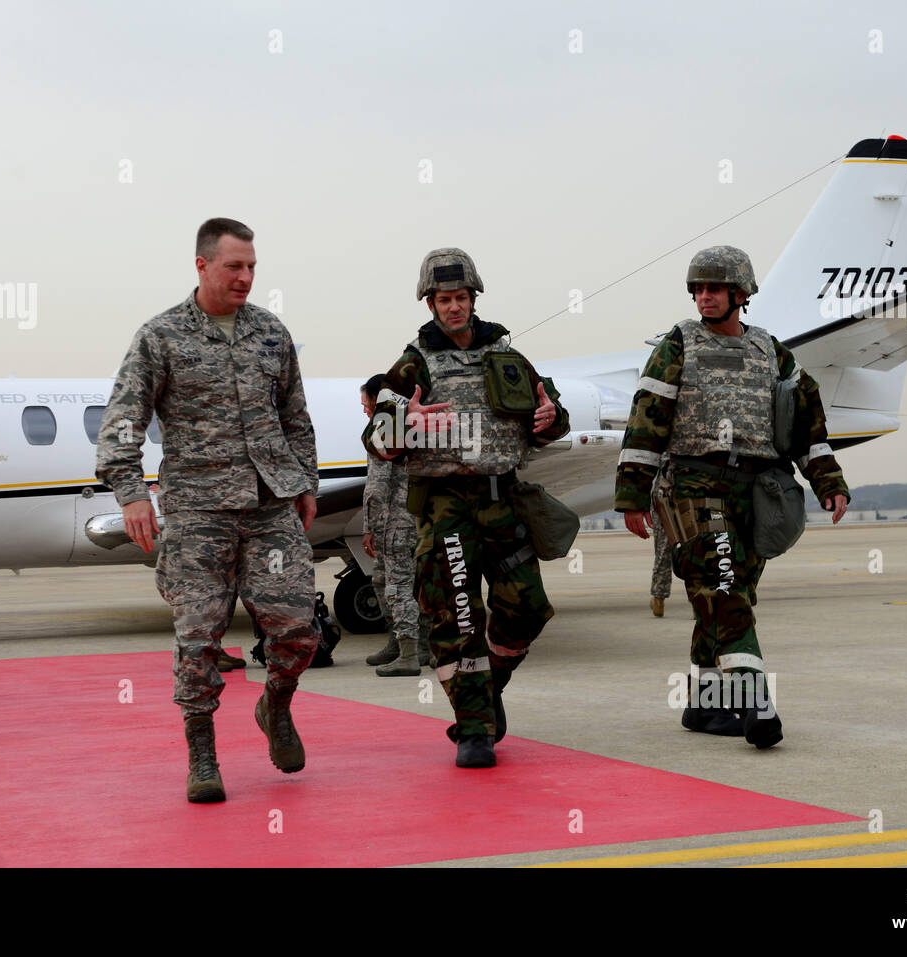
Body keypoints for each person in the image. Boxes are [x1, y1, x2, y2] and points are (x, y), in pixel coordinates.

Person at [96, 217, 319, 803]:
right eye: (233, 266)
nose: (245, 277)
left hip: (271, 505)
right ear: (202, 265)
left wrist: (306, 482)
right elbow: (124, 419)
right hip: (198, 509)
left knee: (298, 629)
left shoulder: (271, 332)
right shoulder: (161, 336)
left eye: (252, 267)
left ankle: (276, 705)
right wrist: (132, 492)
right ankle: (202, 753)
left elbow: (294, 415)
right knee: (198, 639)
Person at [615, 246, 850, 749]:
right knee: (725, 593)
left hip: (755, 492)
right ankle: (755, 702)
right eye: (698, 289)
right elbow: (646, 421)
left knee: (727, 594)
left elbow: (806, 422)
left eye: (715, 289)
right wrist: (633, 496)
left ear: (740, 293)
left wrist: (828, 481)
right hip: (693, 488)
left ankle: (706, 705)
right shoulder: (677, 346)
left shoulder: (771, 351)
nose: (705, 297)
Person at [362, 248, 570, 768]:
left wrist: (551, 418)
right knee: (457, 617)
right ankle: (475, 729)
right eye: (443, 300)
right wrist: (405, 424)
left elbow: (551, 413)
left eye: (460, 298)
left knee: (526, 610)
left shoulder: (507, 355)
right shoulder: (411, 366)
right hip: (446, 508)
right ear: (429, 303)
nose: (453, 307)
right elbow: (376, 440)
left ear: (473, 299)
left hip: (503, 501)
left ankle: (488, 688)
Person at [359, 375, 430, 676]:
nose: (364, 409)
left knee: (398, 587)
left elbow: (375, 487)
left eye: (365, 403)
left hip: (396, 522)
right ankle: (402, 643)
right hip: (418, 519)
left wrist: (369, 528)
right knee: (391, 581)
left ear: (378, 399)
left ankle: (410, 652)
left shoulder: (384, 430)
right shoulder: (413, 424)